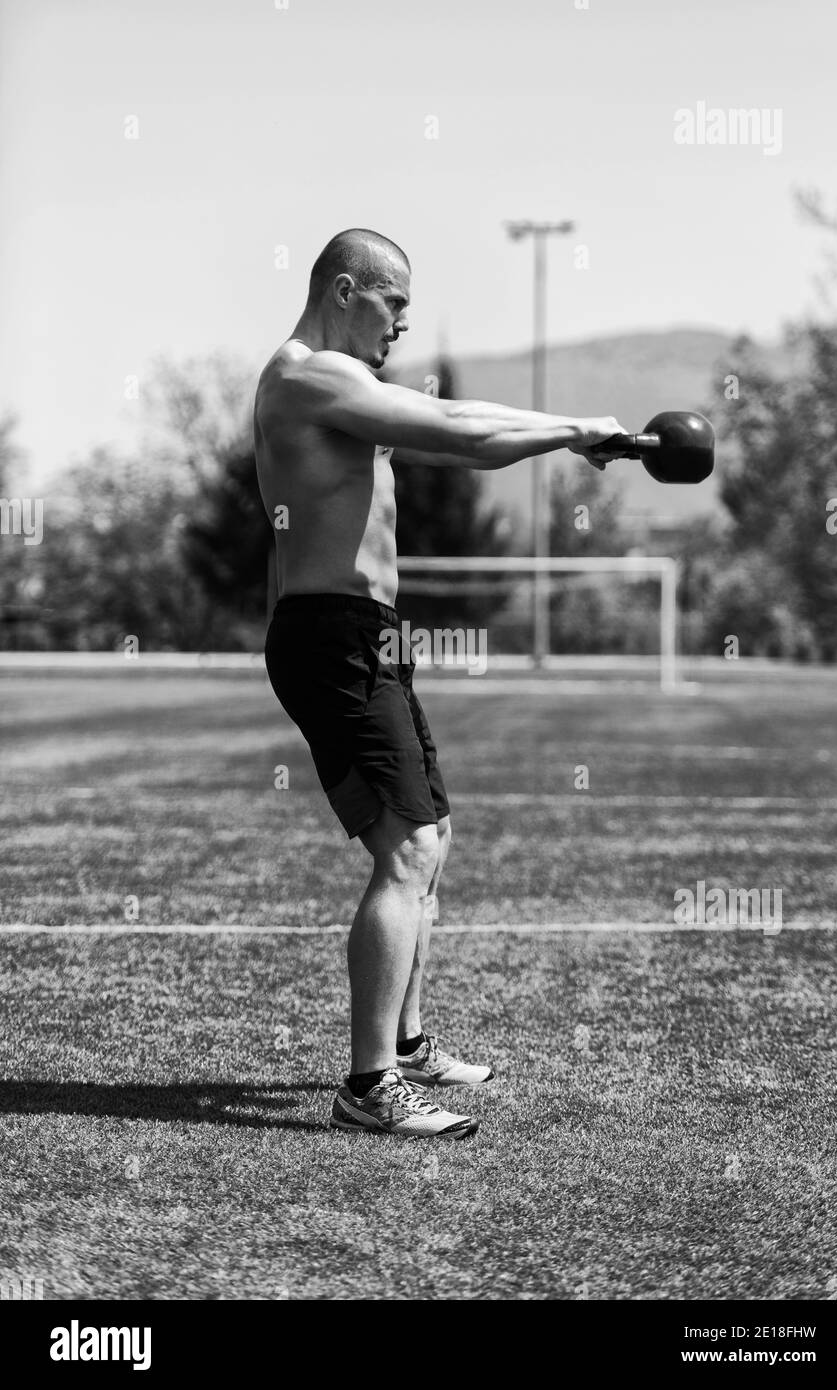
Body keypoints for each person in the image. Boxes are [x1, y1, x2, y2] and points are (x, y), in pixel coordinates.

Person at [255, 228, 625, 1139]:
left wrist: (574, 439)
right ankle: (370, 1085)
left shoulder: (351, 394)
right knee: (408, 851)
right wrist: (576, 429)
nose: (402, 328)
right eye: (394, 307)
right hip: (329, 636)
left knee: (434, 838)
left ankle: (409, 1045)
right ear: (346, 290)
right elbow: (461, 428)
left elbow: (465, 447)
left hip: (368, 634)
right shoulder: (309, 377)